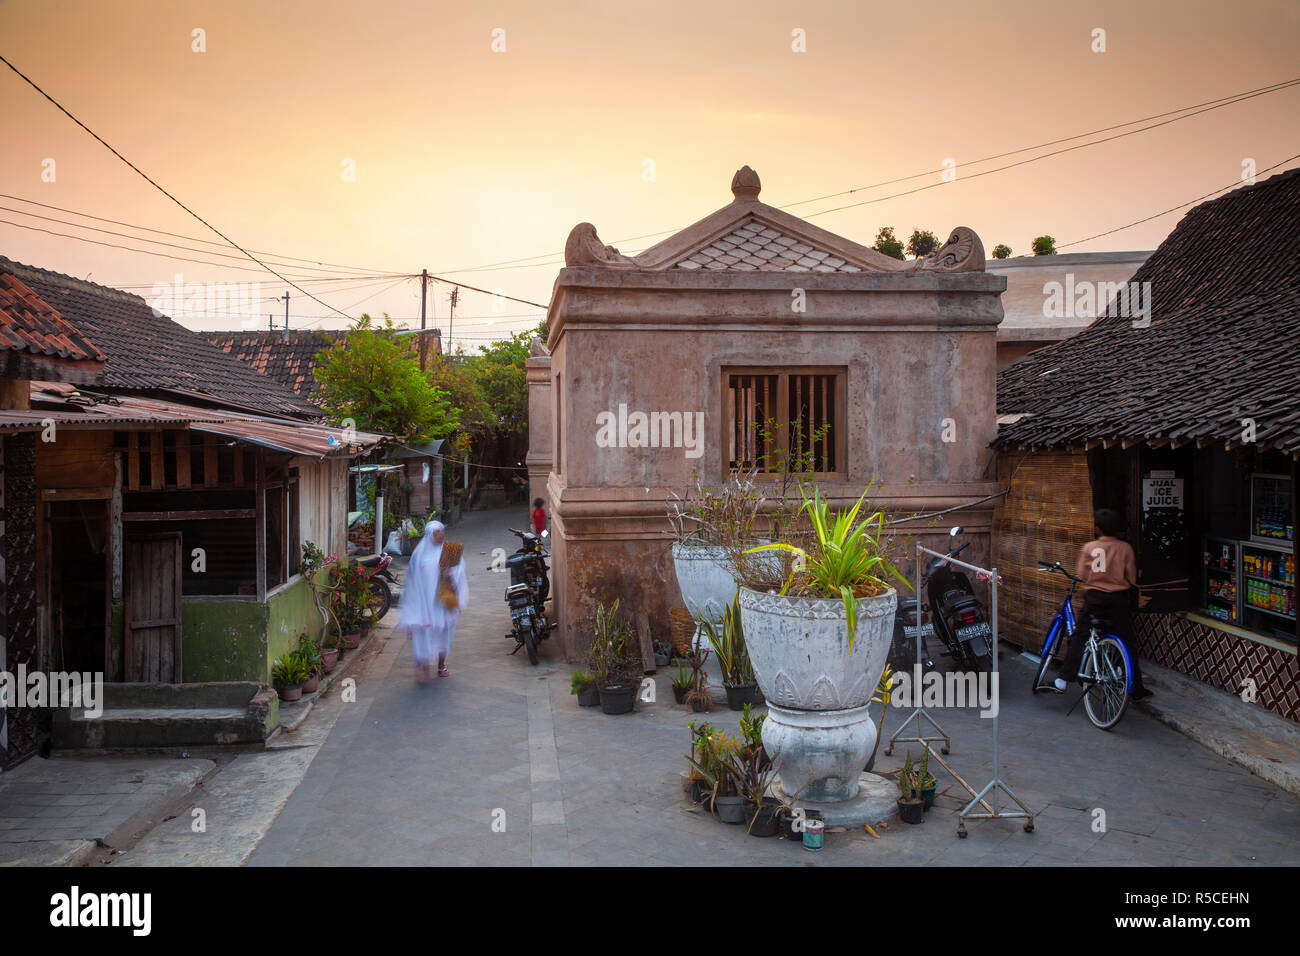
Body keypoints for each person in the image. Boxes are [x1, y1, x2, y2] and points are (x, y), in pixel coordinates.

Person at [1055, 508, 1151, 700]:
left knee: (1079, 636)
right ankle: (1137, 688)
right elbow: (1132, 578)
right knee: (1127, 642)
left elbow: (1081, 576)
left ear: (1097, 528)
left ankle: (1064, 678)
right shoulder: (1125, 548)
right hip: (1118, 599)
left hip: (1094, 599)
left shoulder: (1090, 548)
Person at [400, 520, 469, 681]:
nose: (440, 535)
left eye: (442, 531)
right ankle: (423, 667)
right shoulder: (420, 554)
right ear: (430, 535)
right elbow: (412, 578)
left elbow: (461, 573)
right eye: (436, 532)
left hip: (444, 601)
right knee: (423, 635)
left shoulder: (450, 551)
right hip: (424, 604)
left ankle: (441, 665)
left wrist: (450, 573)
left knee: (445, 634)